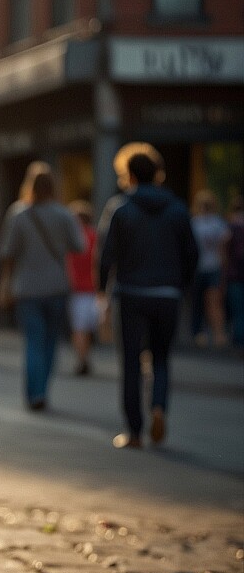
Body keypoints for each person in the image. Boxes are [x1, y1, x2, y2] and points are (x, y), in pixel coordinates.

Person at [98, 145, 198, 449]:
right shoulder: (178, 209)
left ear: (128, 174)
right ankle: (158, 407)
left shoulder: (120, 208)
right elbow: (192, 253)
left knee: (130, 362)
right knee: (161, 358)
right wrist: (180, 286)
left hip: (130, 294)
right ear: (157, 174)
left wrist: (102, 292)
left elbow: (106, 256)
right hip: (167, 294)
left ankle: (134, 432)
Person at [0, 161, 84, 410]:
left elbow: (6, 252)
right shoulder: (64, 214)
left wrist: (5, 283)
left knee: (33, 342)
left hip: (26, 289)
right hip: (57, 287)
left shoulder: (18, 214)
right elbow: (79, 246)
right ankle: (43, 390)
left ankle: (34, 393)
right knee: (50, 343)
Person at [189, 189, 230, 347]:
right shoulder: (212, 223)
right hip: (206, 267)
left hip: (207, 267)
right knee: (205, 302)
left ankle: (211, 333)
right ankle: (210, 333)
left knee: (208, 302)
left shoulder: (202, 223)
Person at [66, 200, 99, 375]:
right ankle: (85, 357)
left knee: (78, 328)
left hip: (76, 288)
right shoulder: (95, 237)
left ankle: (82, 359)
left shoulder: (72, 239)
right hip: (93, 288)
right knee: (88, 328)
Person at [224, 193, 244, 350]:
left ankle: (239, 341)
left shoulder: (231, 226)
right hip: (236, 273)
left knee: (237, 310)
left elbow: (224, 249)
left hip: (234, 274)